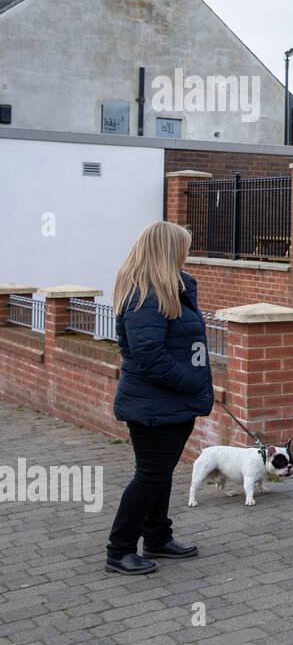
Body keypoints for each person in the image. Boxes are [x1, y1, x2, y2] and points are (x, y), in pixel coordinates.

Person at [105, 220, 214, 575]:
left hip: (171, 401)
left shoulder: (171, 288)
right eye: (183, 246)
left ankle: (156, 537)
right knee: (150, 475)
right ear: (167, 250)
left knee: (161, 472)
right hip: (154, 403)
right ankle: (119, 550)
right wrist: (189, 382)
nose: (188, 252)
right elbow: (148, 353)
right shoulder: (145, 295)